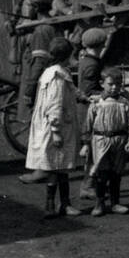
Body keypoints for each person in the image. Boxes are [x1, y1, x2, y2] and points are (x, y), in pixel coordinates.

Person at [25, 37, 82, 220]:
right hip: (56, 128)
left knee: (58, 167)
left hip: (51, 126)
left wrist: (82, 97)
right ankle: (55, 205)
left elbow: (69, 92)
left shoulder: (51, 71)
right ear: (68, 55)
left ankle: (59, 204)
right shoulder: (57, 76)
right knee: (57, 167)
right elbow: (54, 105)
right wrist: (56, 132)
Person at [81, 68, 129, 217]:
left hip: (119, 141)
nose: (114, 87)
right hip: (100, 141)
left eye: (118, 84)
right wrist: (86, 144)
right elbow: (88, 125)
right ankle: (99, 204)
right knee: (102, 173)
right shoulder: (97, 103)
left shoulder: (125, 103)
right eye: (111, 84)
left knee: (116, 173)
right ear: (102, 84)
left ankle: (115, 203)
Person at [17, 0, 57, 185]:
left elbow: (39, 62)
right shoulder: (46, 25)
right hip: (45, 82)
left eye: (28, 5)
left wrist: (28, 90)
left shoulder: (41, 31)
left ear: (34, 7)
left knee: (40, 126)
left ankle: (41, 170)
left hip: (40, 83)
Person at [76, 26, 107, 204]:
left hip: (89, 111)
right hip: (90, 112)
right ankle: (87, 187)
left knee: (95, 151)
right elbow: (88, 92)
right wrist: (106, 93)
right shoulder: (91, 65)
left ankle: (91, 184)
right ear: (100, 44)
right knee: (94, 152)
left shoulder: (87, 59)